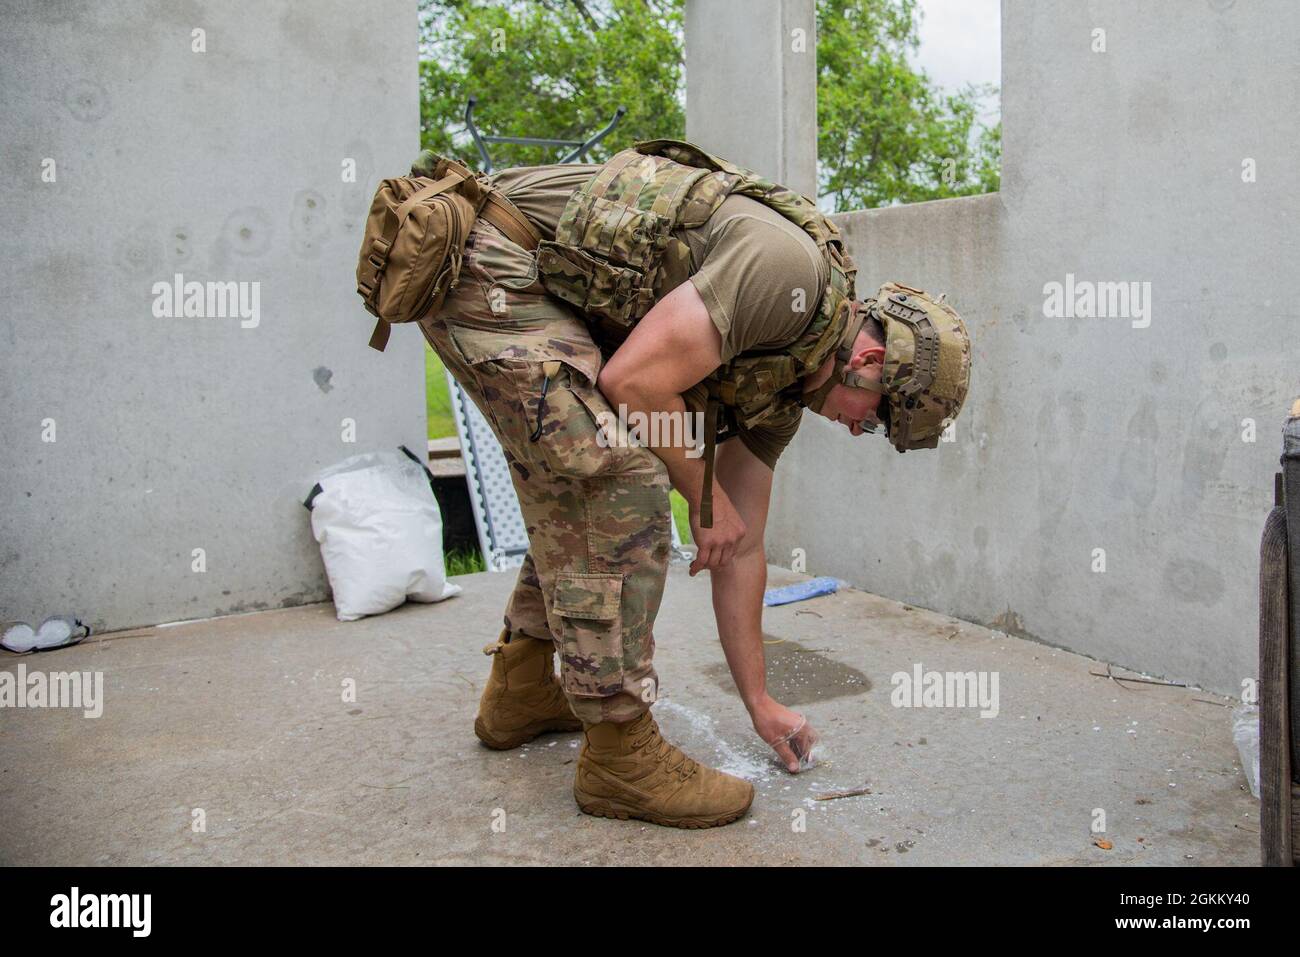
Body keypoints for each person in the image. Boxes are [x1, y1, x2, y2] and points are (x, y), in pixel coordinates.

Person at [415, 139, 971, 829]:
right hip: (487, 257)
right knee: (622, 479)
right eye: (879, 419)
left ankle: (523, 688)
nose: (862, 432)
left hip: (524, 280)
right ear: (870, 359)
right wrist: (700, 497)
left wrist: (761, 702)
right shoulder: (786, 277)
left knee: (587, 474)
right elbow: (635, 382)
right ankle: (619, 755)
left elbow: (741, 544)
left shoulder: (786, 380)